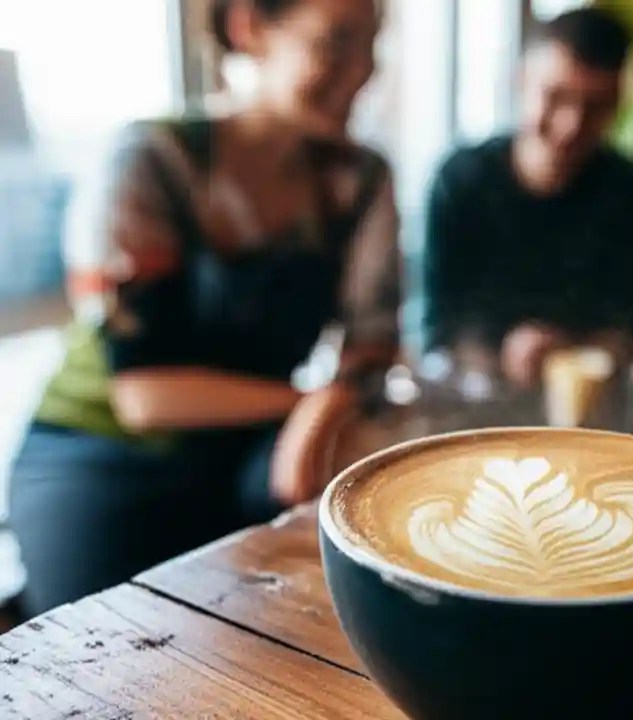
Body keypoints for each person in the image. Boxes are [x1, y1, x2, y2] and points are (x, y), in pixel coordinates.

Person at [8, 0, 400, 617]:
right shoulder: (154, 158)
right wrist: (313, 401)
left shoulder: (362, 180)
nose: (362, 70)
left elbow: (374, 340)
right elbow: (147, 396)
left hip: (245, 450)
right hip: (98, 452)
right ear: (250, 28)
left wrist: (334, 400)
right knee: (100, 655)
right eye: (336, 42)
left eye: (372, 43)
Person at [423, 8, 633, 386]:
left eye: (595, 106)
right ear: (521, 82)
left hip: (595, 406)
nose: (572, 124)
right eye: (555, 96)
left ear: (618, 104)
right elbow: (436, 331)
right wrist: (501, 356)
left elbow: (632, 328)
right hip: (475, 399)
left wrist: (570, 351)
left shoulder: (630, 192)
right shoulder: (461, 181)